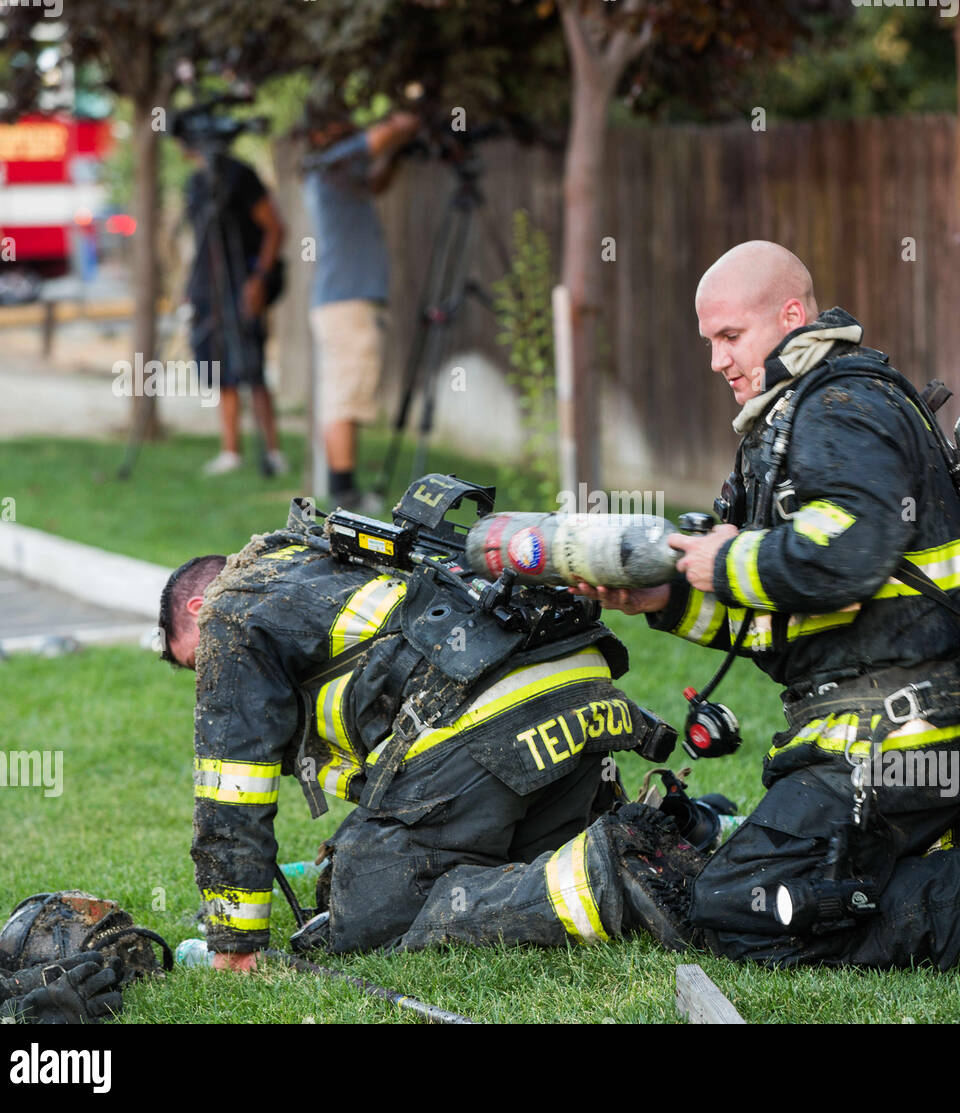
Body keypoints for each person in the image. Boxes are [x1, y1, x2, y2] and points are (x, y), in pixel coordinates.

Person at [574, 241, 960, 973]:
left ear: (791, 315)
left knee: (739, 903)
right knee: (761, 885)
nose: (717, 360)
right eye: (709, 341)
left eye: (730, 336)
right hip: (912, 739)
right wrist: (668, 597)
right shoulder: (796, 417)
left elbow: (845, 553)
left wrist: (728, 559)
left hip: (897, 744)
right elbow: (789, 618)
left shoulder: (840, 406)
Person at [156, 486, 704, 969]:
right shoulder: (324, 555)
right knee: (487, 860)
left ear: (200, 607)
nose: (208, 678)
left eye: (195, 663)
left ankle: (614, 881)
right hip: (581, 698)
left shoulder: (230, 612)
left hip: (491, 721)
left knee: (369, 913)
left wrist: (234, 944)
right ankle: (657, 839)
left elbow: (232, 789)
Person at [300, 101, 421, 508]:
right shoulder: (334, 162)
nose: (348, 123)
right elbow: (387, 131)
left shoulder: (335, 176)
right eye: (338, 120)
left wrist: (397, 153)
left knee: (344, 393)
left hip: (343, 301)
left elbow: (377, 181)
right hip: (346, 302)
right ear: (319, 134)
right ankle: (343, 492)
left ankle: (342, 487)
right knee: (343, 397)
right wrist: (415, 112)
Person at [176, 120, 289, 478]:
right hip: (207, 287)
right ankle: (230, 451)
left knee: (252, 365)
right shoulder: (196, 184)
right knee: (218, 366)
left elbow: (275, 227)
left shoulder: (241, 177)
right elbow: (201, 238)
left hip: (243, 281)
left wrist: (259, 279)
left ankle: (272, 451)